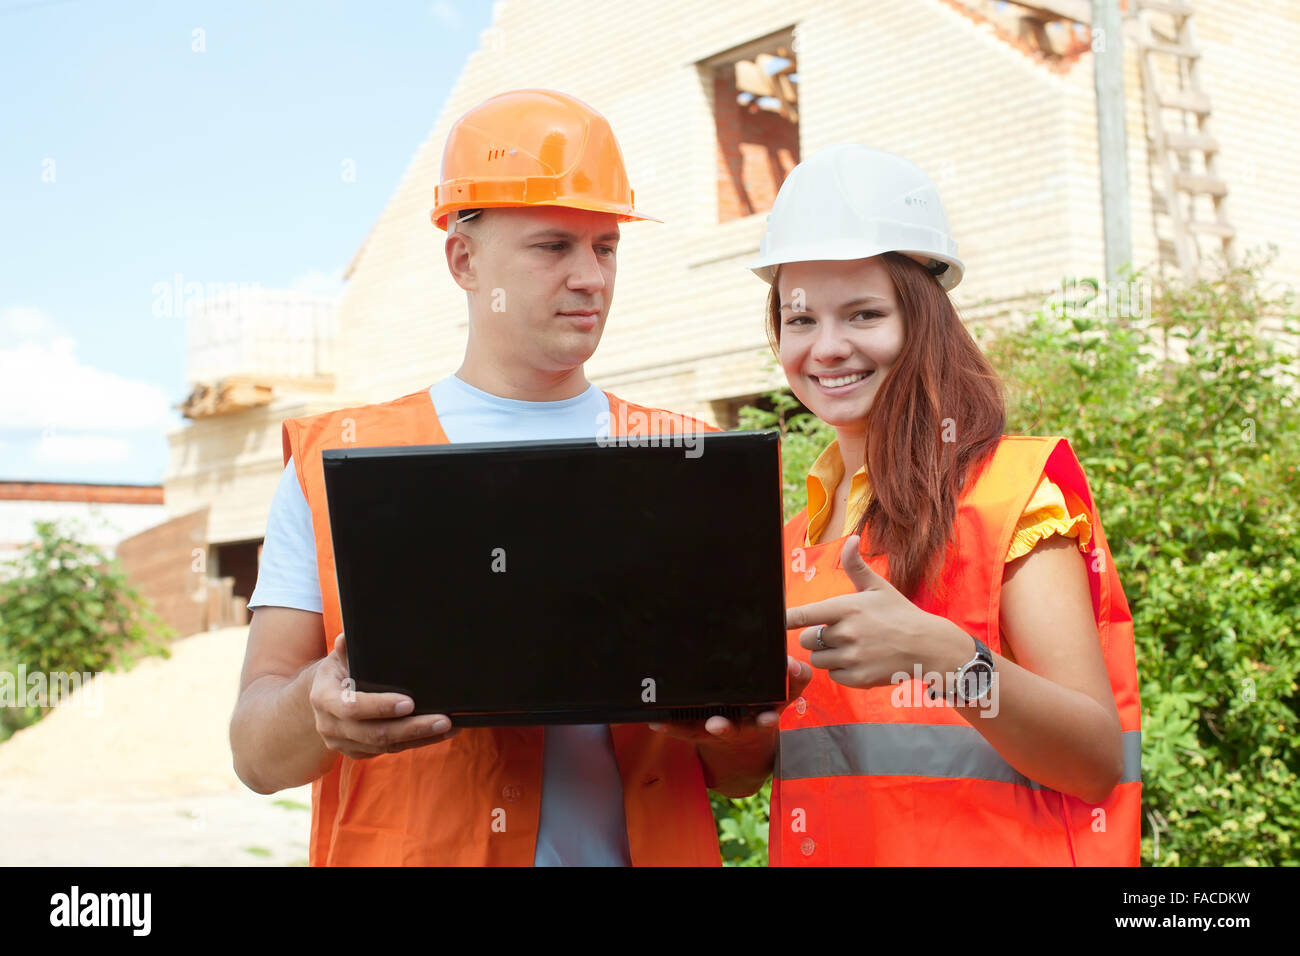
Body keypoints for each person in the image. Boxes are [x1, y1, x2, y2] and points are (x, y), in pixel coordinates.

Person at [229, 89, 805, 866]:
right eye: (552, 246)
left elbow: (738, 776)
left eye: (605, 247)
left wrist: (739, 734)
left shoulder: (687, 460)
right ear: (464, 259)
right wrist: (315, 706)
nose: (591, 278)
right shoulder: (338, 463)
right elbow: (258, 756)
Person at [747, 144, 1142, 865]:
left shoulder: (1008, 496)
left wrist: (949, 660)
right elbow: (769, 769)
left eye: (864, 314)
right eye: (801, 320)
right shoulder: (792, 540)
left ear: (923, 319)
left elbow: (1093, 761)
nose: (827, 347)